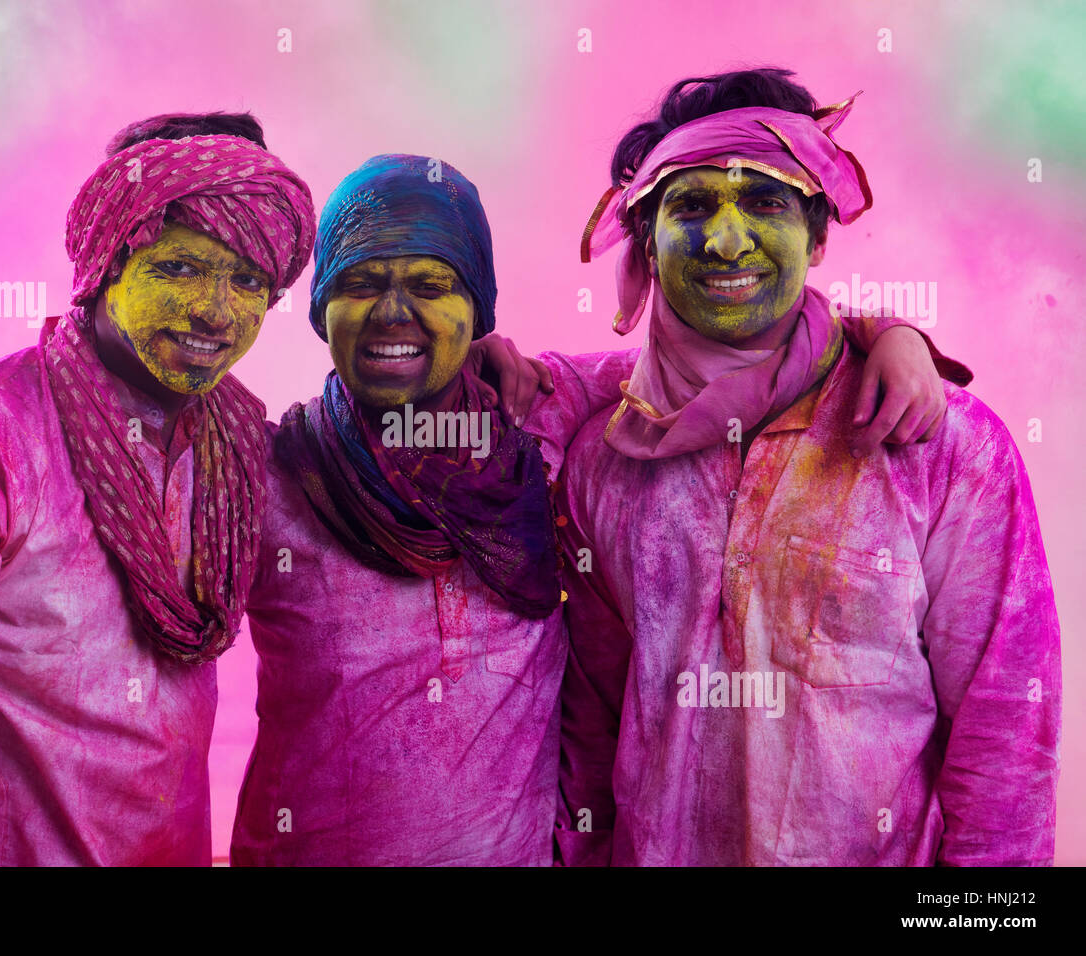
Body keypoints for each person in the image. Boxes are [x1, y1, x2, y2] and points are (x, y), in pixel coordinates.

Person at [231, 152, 954, 866]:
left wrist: (883, 332)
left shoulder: (539, 420)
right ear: (321, 306)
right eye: (359, 283)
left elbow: (734, 364)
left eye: (431, 284)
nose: (396, 313)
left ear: (478, 309)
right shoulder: (268, 475)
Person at [557, 69, 1060, 866]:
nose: (728, 240)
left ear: (819, 236)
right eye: (691, 206)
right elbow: (591, 721)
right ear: (645, 241)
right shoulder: (601, 463)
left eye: (766, 202)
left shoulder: (939, 442)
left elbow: (1006, 727)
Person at [0, 111, 315, 865]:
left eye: (248, 278)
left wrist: (494, 370)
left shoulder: (238, 449)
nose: (218, 310)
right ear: (104, 263)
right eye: (178, 267)